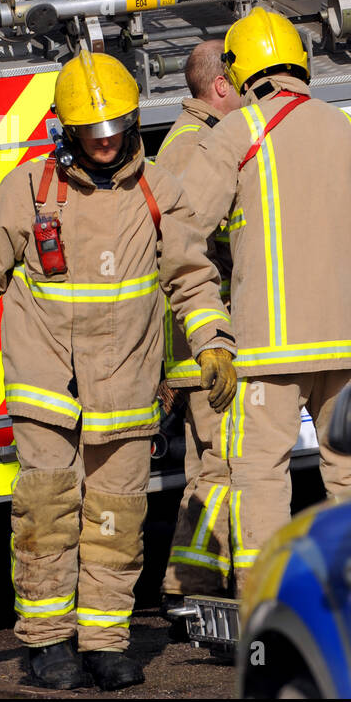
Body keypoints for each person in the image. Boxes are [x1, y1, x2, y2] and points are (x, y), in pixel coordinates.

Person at [0, 49, 237, 690]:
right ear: (66, 131)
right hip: (47, 389)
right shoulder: (30, 190)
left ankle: (104, 643)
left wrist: (212, 341)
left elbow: (192, 278)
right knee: (45, 514)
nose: (106, 143)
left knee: (115, 519)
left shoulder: (158, 194)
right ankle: (47, 644)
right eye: (92, 134)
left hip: (124, 389)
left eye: (116, 130)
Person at [182, 6, 351, 596]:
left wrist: (209, 331)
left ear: (240, 69)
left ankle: (266, 603)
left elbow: (185, 231)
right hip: (346, 347)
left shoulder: (238, 131)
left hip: (265, 354)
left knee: (260, 476)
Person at [155, 40, 243, 607]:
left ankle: (190, 582)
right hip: (204, 341)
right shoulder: (201, 146)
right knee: (226, 465)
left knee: (209, 467)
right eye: (241, 83)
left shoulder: (182, 141)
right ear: (219, 87)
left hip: (193, 343)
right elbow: (187, 249)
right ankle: (201, 586)